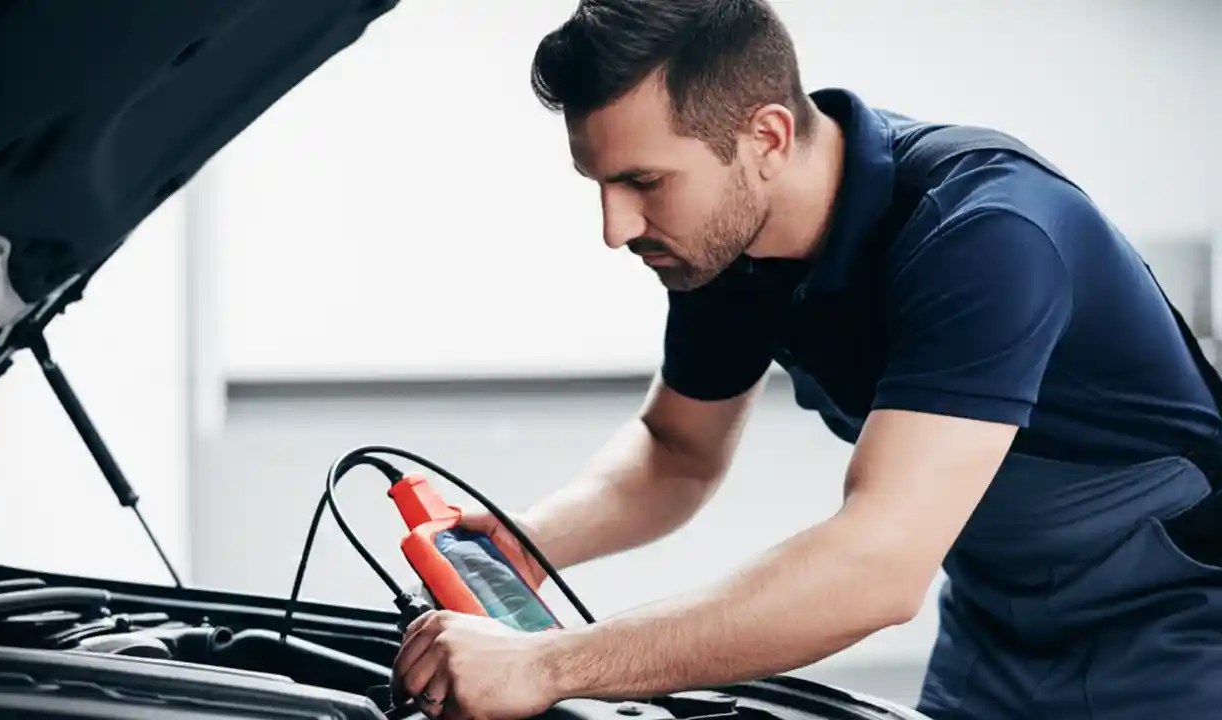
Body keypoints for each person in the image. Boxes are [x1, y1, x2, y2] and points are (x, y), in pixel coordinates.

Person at [391, 2, 1222, 718]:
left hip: (1175, 631)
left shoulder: (985, 232)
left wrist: (549, 666)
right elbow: (675, 452)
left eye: (644, 181)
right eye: (600, 182)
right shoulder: (727, 248)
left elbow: (876, 566)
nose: (615, 227)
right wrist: (530, 542)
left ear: (767, 137)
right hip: (998, 621)